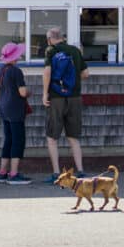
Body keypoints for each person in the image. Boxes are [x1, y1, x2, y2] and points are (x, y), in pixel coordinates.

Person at [42, 27, 89, 182]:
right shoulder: (75, 51)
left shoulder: (51, 51)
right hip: (75, 97)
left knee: (52, 137)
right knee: (73, 137)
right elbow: (85, 74)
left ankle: (56, 173)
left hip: (56, 98)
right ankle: (81, 171)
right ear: (62, 37)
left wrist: (45, 94)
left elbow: (47, 72)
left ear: (50, 39)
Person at [0, 41, 32, 185]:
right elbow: (22, 92)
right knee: (18, 140)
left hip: (4, 108)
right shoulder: (16, 71)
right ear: (16, 56)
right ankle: (14, 174)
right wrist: (29, 92)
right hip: (15, 109)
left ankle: (2, 172)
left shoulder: (1, 70)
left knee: (8, 140)